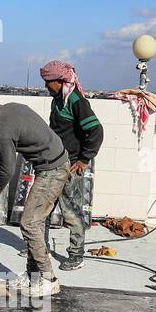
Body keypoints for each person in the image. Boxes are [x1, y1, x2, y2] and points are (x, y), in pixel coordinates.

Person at [0, 98, 79, 296]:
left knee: (29, 223)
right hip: (54, 163)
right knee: (36, 223)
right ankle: (33, 275)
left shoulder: (3, 130)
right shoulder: (9, 110)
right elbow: (21, 131)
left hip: (52, 170)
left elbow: (7, 170)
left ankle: (49, 279)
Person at [38, 60, 102, 271]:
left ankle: (76, 254)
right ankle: (40, 247)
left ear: (60, 80)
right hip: (54, 164)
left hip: (71, 166)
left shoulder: (76, 101)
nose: (46, 87)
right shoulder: (58, 101)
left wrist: (84, 159)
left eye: (49, 83)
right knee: (44, 209)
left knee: (71, 212)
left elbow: (96, 131)